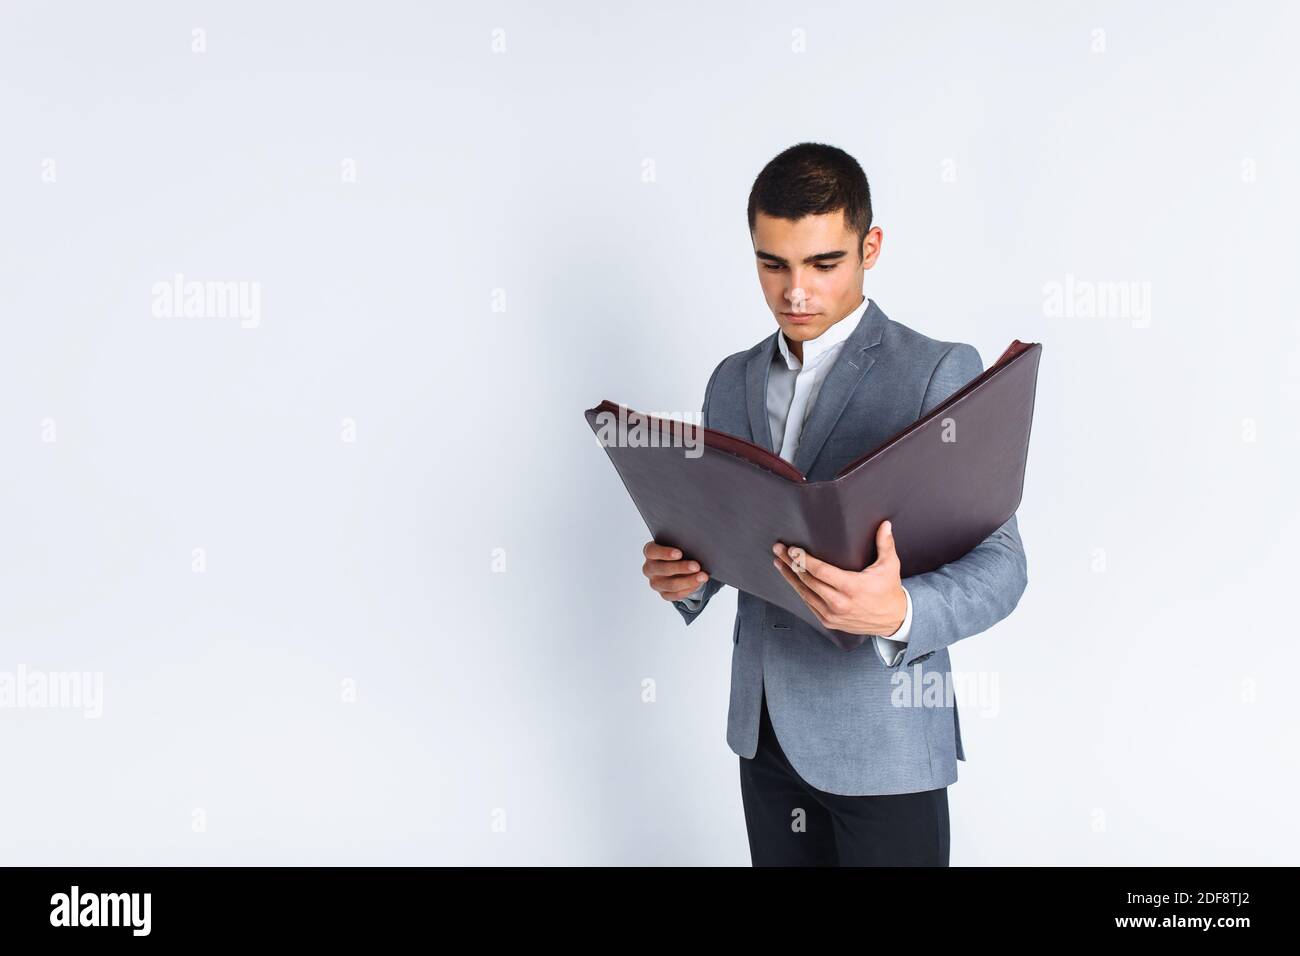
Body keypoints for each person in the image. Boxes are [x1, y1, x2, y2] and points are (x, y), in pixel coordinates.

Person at [638, 142, 1028, 866]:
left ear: (869, 247)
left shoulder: (937, 371)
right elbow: (739, 529)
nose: (796, 292)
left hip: (883, 739)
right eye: (773, 264)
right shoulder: (731, 381)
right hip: (763, 735)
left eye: (824, 264)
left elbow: (1003, 565)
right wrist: (685, 577)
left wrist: (899, 613)